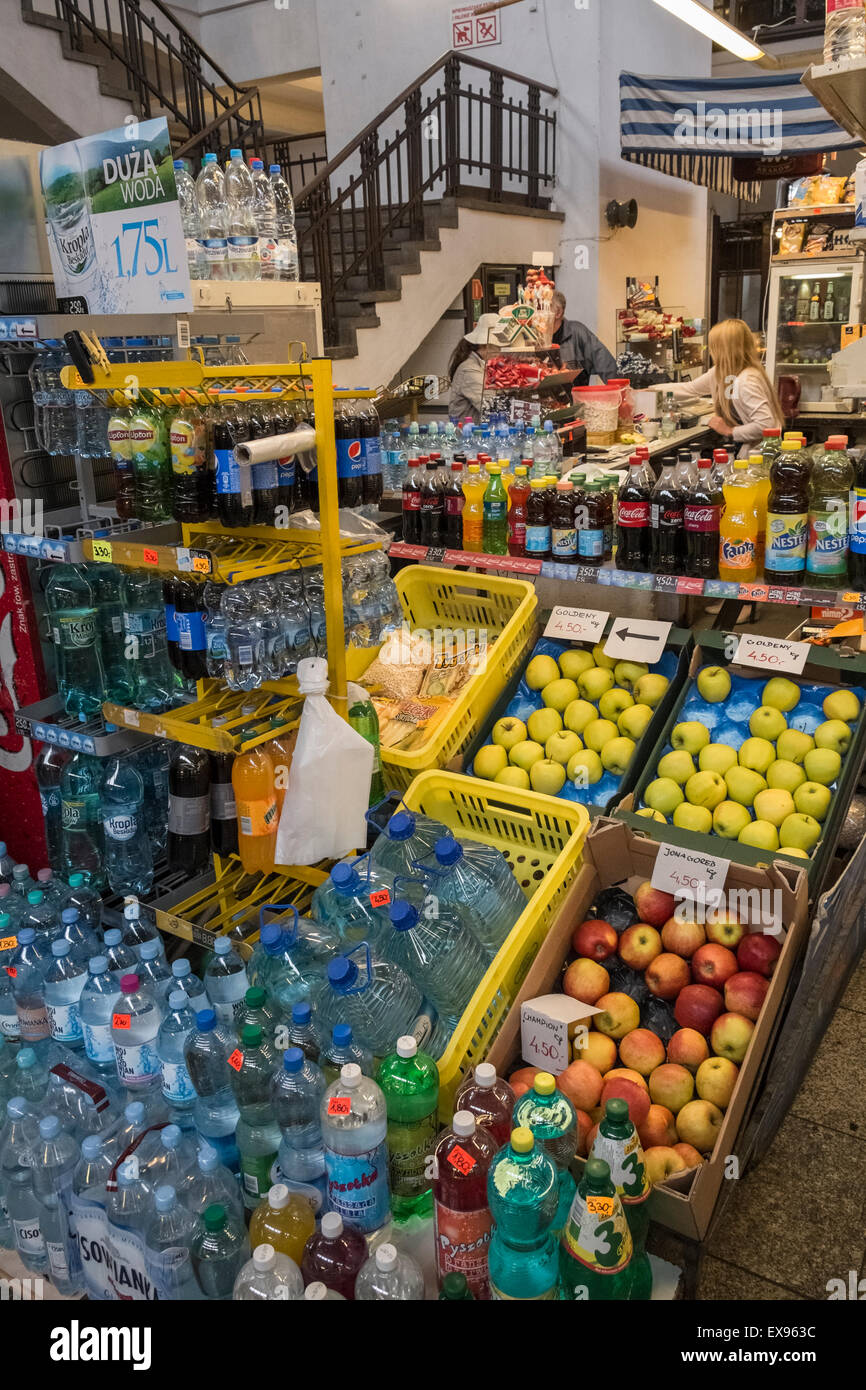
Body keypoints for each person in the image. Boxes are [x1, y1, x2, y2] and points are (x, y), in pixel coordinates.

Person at [668, 318, 784, 458]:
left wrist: (730, 431)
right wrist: (647, 392)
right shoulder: (725, 372)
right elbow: (690, 389)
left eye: (713, 346)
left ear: (722, 349)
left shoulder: (746, 381)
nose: (710, 351)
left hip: (758, 458)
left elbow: (766, 425)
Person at [447, 313, 510, 423]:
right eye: (498, 347)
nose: (500, 352)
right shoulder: (469, 370)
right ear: (485, 346)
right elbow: (491, 406)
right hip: (468, 435)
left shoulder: (484, 364)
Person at [550, 290, 618, 385]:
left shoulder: (577, 333)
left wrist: (619, 392)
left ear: (558, 312)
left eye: (542, 307)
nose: (537, 314)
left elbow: (606, 364)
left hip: (576, 398)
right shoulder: (533, 338)